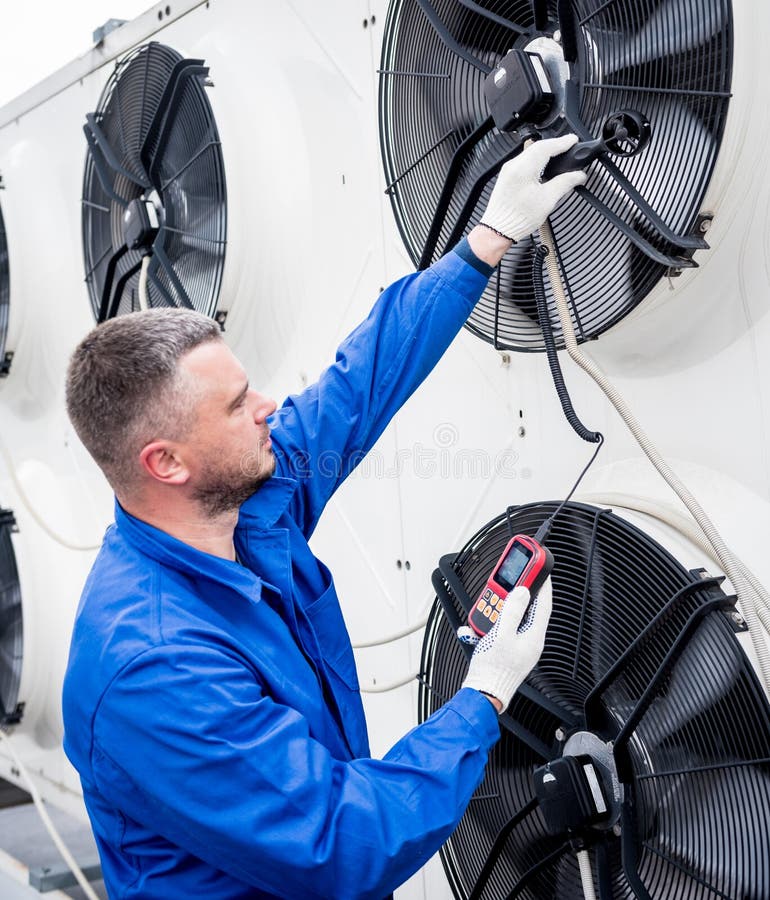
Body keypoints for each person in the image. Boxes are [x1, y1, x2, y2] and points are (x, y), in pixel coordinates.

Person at [62, 135, 585, 899]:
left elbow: (357, 383)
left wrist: (486, 241)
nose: (269, 407)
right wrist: (483, 698)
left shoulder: (244, 503)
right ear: (165, 463)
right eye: (238, 405)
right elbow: (345, 844)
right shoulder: (154, 669)